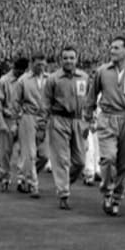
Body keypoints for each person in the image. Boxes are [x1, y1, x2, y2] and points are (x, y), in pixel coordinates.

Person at [84, 36, 125, 216]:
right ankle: (108, 192)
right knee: (108, 158)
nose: (112, 51)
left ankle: (117, 197)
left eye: (116, 48)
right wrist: (88, 117)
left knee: (124, 163)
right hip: (107, 118)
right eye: (111, 47)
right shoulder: (102, 71)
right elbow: (92, 95)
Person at [44, 47, 89, 209]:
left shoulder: (84, 77)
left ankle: (64, 182)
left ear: (77, 59)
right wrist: (43, 124)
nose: (68, 61)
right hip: (59, 119)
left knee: (80, 162)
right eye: (65, 58)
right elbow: (46, 102)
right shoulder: (53, 79)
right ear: (60, 60)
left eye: (71, 58)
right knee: (62, 159)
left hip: (78, 120)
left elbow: (89, 101)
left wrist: (88, 121)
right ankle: (63, 194)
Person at [14, 55, 48, 198]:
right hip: (28, 116)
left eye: (43, 64)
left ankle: (23, 175)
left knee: (45, 155)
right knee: (30, 153)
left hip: (45, 117)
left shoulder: (49, 79)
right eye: (38, 64)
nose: (41, 67)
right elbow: (15, 101)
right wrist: (19, 116)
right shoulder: (23, 80)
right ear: (32, 64)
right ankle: (33, 184)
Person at [0, 57, 28, 190]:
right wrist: (1, 121)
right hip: (7, 118)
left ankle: (22, 179)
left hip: (23, 119)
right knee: (5, 152)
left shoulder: (26, 80)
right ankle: (5, 177)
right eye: (20, 71)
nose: (22, 73)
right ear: (15, 68)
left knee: (24, 151)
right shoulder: (4, 81)